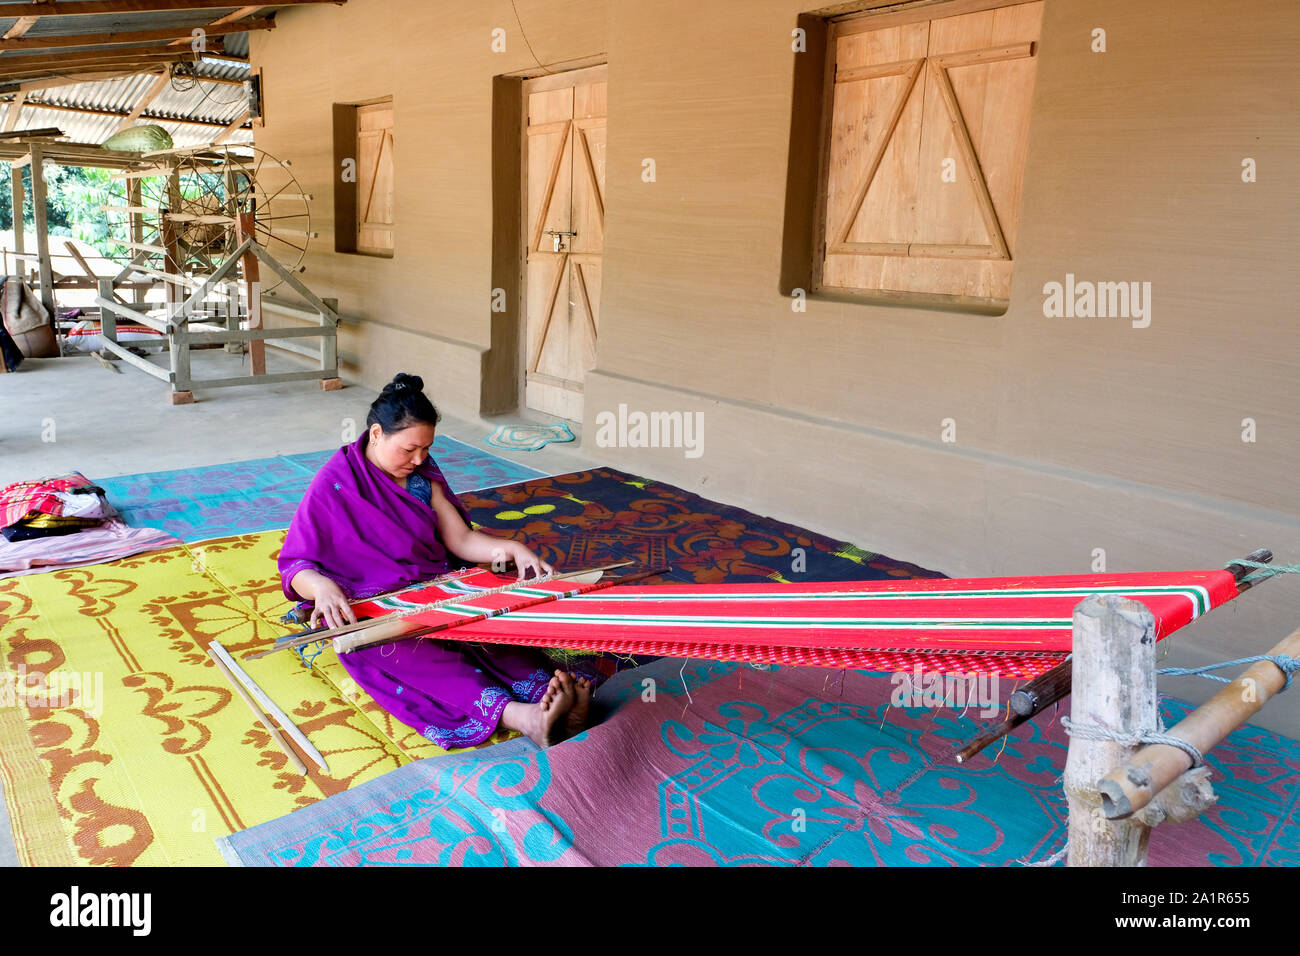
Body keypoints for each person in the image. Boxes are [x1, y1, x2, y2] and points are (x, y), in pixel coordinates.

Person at [278, 372, 593, 749]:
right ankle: (525, 718)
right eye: (409, 449)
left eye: (426, 449)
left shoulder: (422, 480)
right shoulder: (336, 483)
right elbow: (296, 562)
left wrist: (511, 548)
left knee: (485, 632)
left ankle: (552, 696)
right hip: (373, 608)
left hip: (435, 588)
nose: (419, 459)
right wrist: (322, 588)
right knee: (409, 652)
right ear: (376, 434)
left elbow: (459, 539)